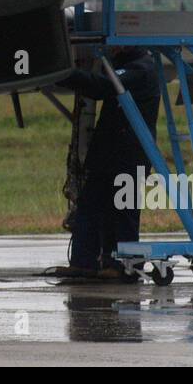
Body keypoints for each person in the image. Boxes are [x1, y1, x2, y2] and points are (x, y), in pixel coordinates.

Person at [51, 45, 161, 281]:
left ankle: (124, 265)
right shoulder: (120, 65)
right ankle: (84, 262)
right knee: (89, 206)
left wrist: (61, 73)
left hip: (130, 153)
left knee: (123, 210)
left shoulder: (140, 69)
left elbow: (103, 87)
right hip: (108, 152)